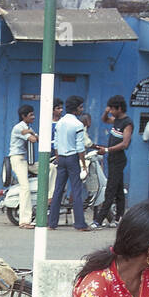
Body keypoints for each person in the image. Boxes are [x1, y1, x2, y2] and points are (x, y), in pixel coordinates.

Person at [47, 96, 91, 232]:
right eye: (81, 107)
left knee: (58, 190)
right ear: (76, 108)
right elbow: (80, 148)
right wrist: (83, 164)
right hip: (72, 159)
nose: (82, 110)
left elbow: (56, 143)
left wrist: (58, 157)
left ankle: (52, 223)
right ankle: (80, 224)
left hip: (61, 158)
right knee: (76, 190)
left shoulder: (60, 123)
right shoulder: (77, 124)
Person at [94, 95, 133, 227]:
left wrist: (107, 150)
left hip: (118, 159)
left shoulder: (127, 123)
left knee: (110, 189)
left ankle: (98, 220)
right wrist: (106, 111)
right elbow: (104, 119)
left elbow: (125, 144)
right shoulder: (116, 120)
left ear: (120, 108)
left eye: (112, 109)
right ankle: (119, 218)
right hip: (112, 158)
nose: (110, 111)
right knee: (118, 190)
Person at [8, 104, 38, 228]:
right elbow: (33, 139)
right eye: (31, 115)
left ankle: (49, 196)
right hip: (17, 159)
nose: (34, 117)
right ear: (23, 116)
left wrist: (31, 131)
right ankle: (24, 221)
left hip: (25, 161)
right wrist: (31, 133)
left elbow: (37, 137)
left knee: (51, 168)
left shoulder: (26, 127)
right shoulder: (18, 127)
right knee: (25, 187)